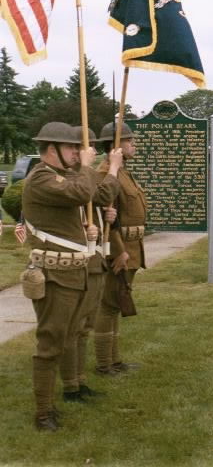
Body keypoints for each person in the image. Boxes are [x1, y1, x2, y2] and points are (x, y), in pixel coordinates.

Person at [22, 122, 99, 431]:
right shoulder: (40, 178)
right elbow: (81, 191)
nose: (77, 153)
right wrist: (88, 166)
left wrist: (85, 232)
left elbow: (68, 209)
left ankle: (65, 393)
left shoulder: (57, 177)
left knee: (67, 338)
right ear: (51, 150)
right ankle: (43, 413)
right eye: (71, 148)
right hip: (54, 275)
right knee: (50, 343)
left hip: (71, 271)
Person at [58, 127, 122, 402]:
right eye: (87, 146)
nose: (92, 151)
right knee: (72, 328)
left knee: (84, 326)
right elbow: (96, 194)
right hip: (75, 261)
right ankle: (71, 385)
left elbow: (100, 198)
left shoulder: (86, 176)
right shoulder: (68, 177)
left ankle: (79, 381)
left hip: (94, 257)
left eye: (93, 146)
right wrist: (114, 169)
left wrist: (103, 216)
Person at [94, 121, 147, 375]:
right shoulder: (107, 173)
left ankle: (115, 361)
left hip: (132, 245)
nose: (133, 144)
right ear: (115, 146)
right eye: (129, 140)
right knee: (108, 305)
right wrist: (118, 251)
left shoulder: (123, 171)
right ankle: (105, 363)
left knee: (117, 303)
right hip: (120, 247)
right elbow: (107, 218)